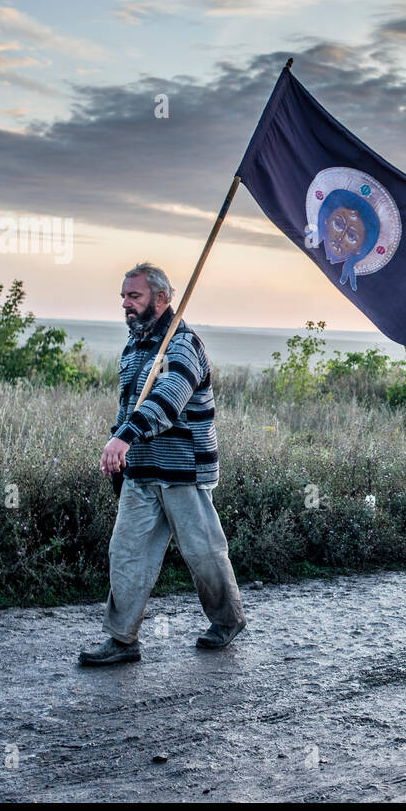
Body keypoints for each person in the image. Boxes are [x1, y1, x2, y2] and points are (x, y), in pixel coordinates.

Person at [79, 263, 247, 666]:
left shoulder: (183, 346)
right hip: (142, 470)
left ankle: (228, 621)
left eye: (133, 296)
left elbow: (167, 402)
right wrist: (121, 444)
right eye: (123, 296)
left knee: (204, 554)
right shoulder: (136, 346)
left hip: (183, 470)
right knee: (126, 553)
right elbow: (130, 405)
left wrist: (123, 437)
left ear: (162, 298)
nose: (125, 304)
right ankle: (122, 640)